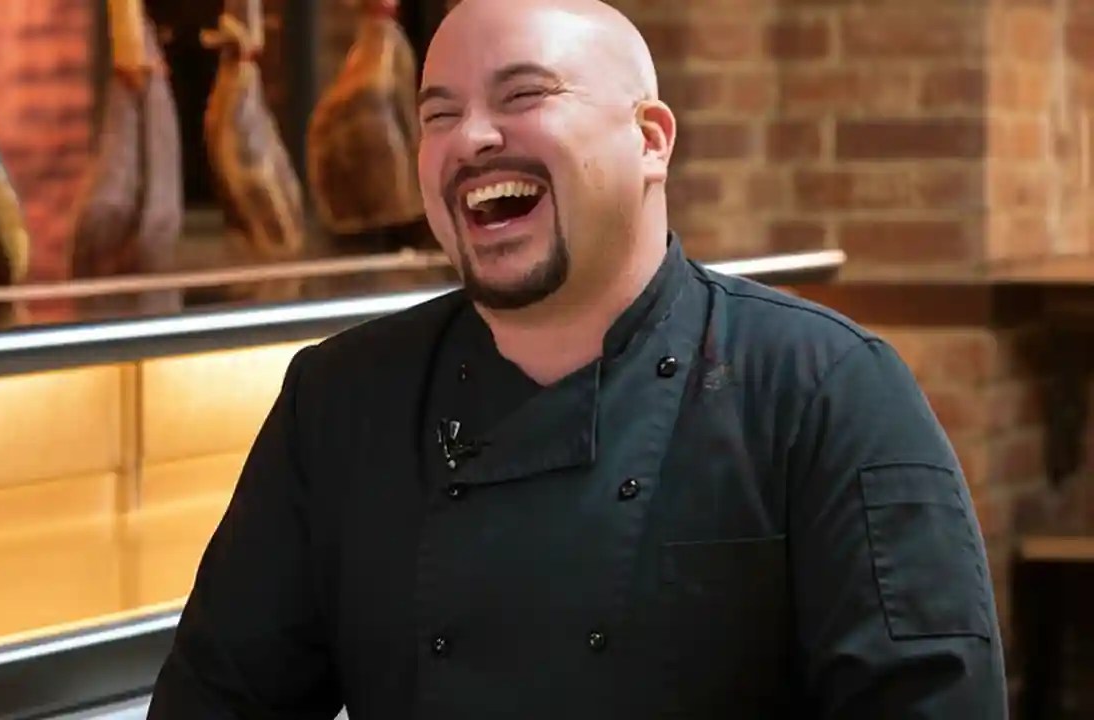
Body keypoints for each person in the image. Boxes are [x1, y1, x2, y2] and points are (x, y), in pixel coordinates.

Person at [147, 0, 1009, 717]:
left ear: (651, 141)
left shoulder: (825, 391)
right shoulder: (341, 401)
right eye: (438, 114)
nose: (472, 136)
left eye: (523, 95)